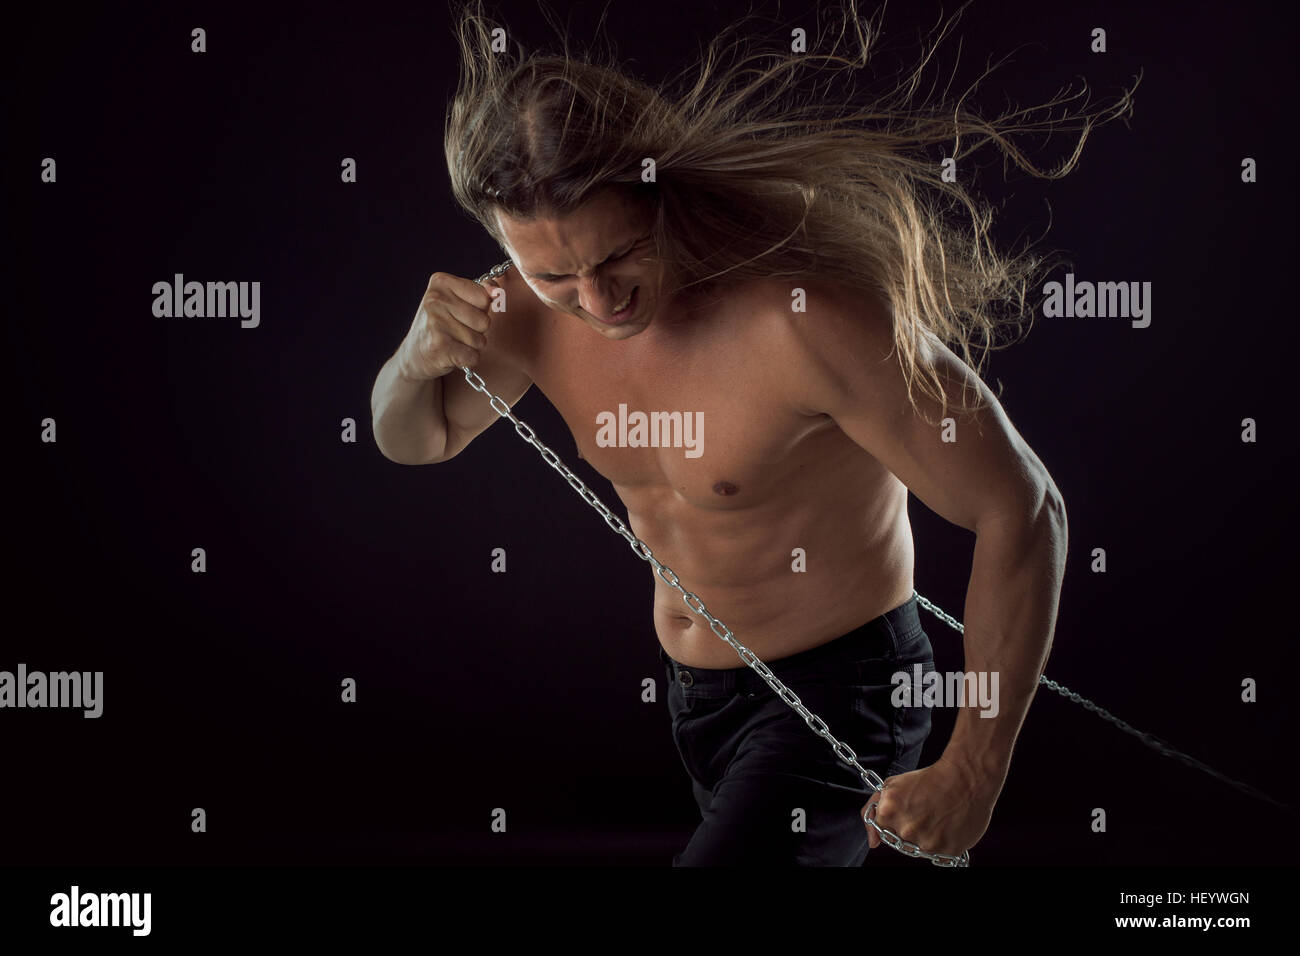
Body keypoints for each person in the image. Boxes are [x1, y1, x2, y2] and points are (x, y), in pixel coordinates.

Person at [371, 0, 1132, 865]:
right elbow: (415, 439)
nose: (598, 300)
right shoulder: (515, 311)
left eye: (620, 255)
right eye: (555, 274)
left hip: (845, 693)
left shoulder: (804, 317)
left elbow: (1025, 508)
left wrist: (974, 770)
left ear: (666, 191)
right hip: (696, 703)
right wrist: (414, 357)